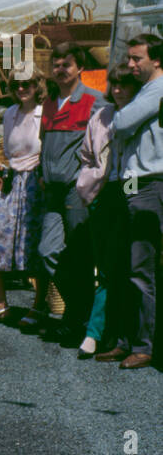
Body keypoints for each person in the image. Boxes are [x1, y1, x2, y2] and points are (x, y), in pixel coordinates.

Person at [32, 43, 106, 345]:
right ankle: (78, 311)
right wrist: (40, 174)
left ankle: (81, 320)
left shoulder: (94, 100)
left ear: (80, 69)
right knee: (47, 251)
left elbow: (102, 147)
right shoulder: (48, 102)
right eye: (56, 64)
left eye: (66, 64)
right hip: (51, 191)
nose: (60, 69)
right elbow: (43, 143)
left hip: (77, 191)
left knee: (79, 255)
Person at [0, 67, 45, 324]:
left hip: (36, 182)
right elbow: (9, 151)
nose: (22, 89)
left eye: (27, 84)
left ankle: (38, 306)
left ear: (37, 85)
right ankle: (0, 304)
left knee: (33, 244)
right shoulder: (10, 113)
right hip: (12, 181)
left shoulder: (42, 113)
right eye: (16, 86)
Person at [78, 63, 141, 360]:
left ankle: (106, 333)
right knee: (105, 266)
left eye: (124, 85)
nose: (117, 90)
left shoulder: (143, 111)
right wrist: (89, 188)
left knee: (125, 266)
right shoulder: (101, 116)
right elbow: (87, 154)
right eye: (114, 85)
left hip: (127, 188)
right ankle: (97, 332)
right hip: (103, 191)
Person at [108, 32, 163, 369]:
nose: (130, 65)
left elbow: (121, 122)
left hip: (148, 183)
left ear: (156, 59)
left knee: (141, 266)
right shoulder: (145, 90)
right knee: (127, 263)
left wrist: (120, 117)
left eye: (137, 58)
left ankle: (143, 346)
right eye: (128, 58)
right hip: (132, 182)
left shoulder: (158, 88)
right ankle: (126, 339)